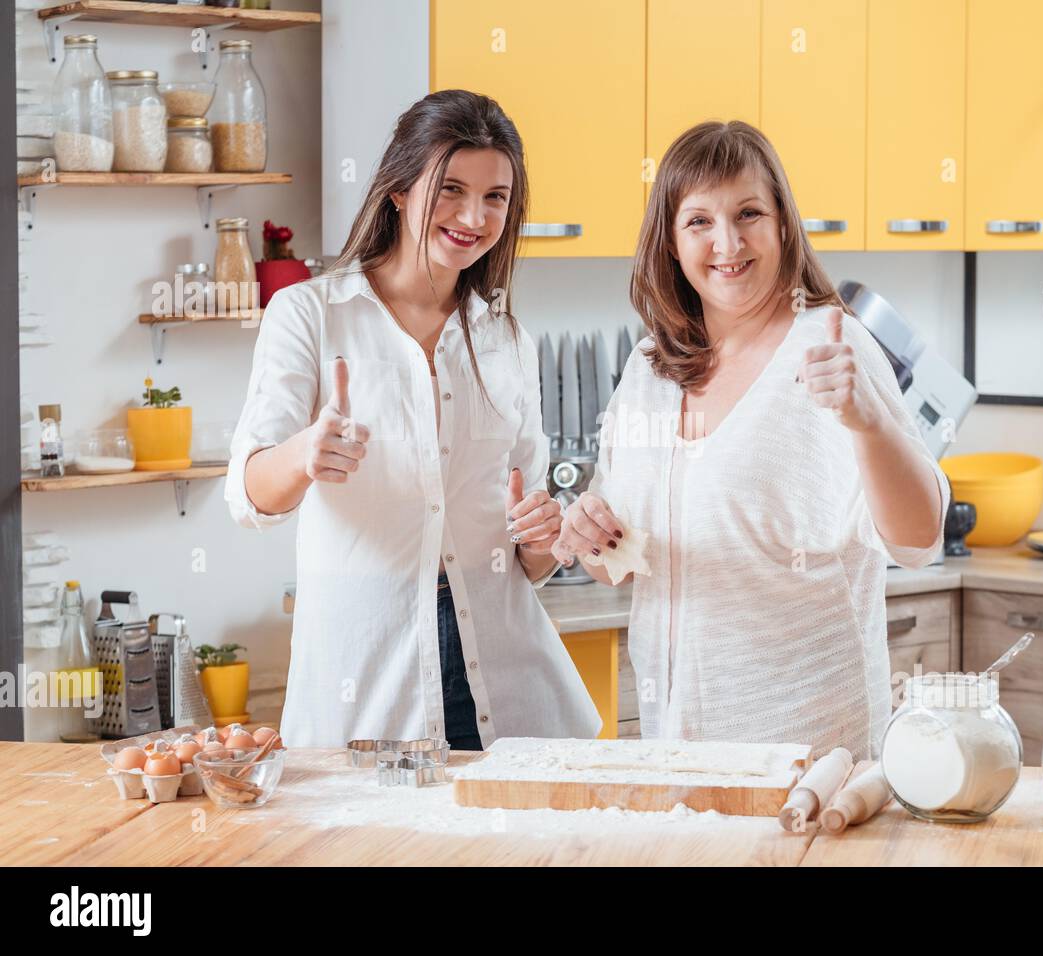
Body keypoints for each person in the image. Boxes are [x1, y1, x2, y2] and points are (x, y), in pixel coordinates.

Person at [553, 121, 949, 759]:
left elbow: (919, 540)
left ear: (783, 225)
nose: (727, 243)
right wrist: (587, 534)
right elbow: (617, 561)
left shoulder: (831, 347)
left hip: (811, 754)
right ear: (672, 242)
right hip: (676, 752)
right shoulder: (650, 370)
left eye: (748, 214)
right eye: (699, 222)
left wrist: (867, 421)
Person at [226, 90, 600, 749]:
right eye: (450, 189)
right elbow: (249, 496)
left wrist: (543, 534)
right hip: (370, 687)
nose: (472, 216)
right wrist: (304, 453)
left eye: (495, 198)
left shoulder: (507, 339)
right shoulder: (310, 316)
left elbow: (529, 557)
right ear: (399, 189)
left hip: (511, 692)